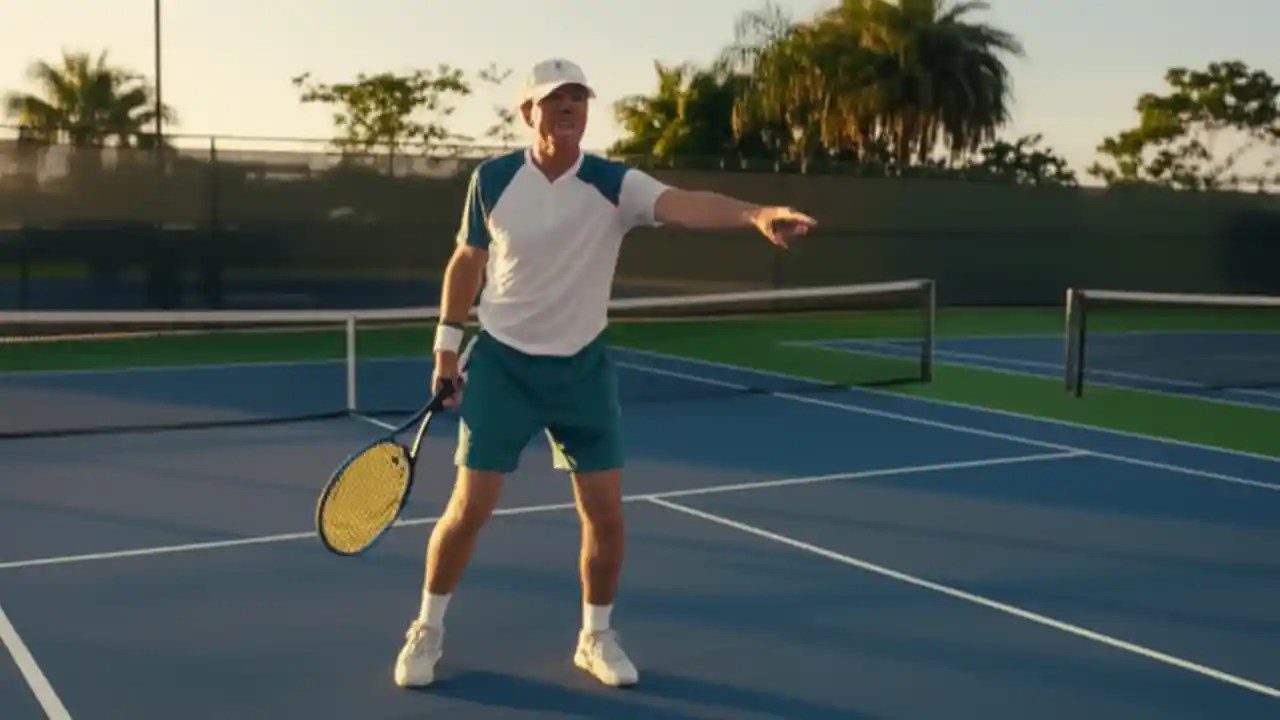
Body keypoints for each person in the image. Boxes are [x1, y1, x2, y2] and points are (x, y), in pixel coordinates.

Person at [393, 57, 816, 689]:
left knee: (607, 515)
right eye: (555, 98)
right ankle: (426, 629)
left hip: (583, 371)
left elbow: (685, 204)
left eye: (579, 98)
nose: (569, 107)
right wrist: (445, 352)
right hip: (504, 364)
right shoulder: (494, 178)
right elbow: (467, 261)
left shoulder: (615, 183)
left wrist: (755, 214)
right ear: (527, 111)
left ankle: (595, 636)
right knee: (469, 509)